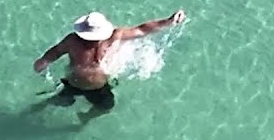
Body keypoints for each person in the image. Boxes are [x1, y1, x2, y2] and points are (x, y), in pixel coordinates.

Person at [28, 9, 186, 123]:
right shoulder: (73, 41)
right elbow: (56, 51)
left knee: (106, 106)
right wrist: (44, 60)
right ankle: (37, 108)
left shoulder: (116, 36)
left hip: (99, 87)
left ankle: (86, 117)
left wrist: (168, 21)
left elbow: (141, 29)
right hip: (73, 83)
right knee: (60, 100)